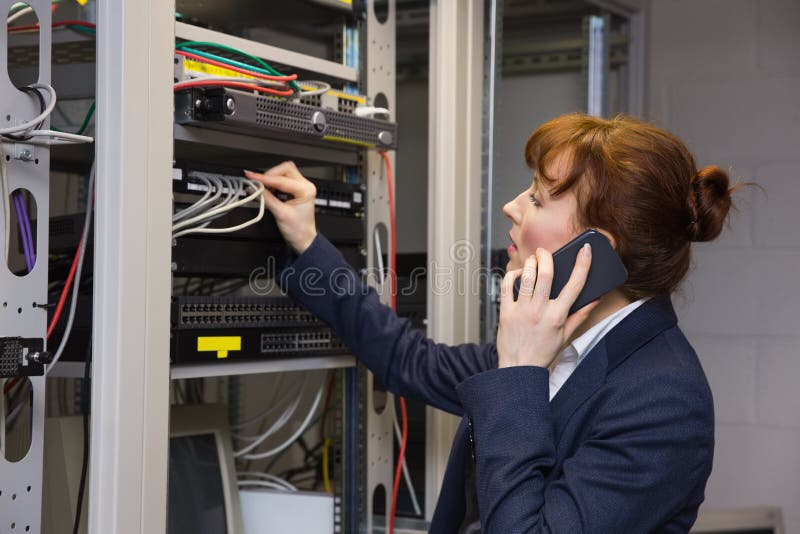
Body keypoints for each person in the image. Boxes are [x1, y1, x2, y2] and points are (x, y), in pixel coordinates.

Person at [245, 113, 738, 533]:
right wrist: (309, 243)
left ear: (594, 252)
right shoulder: (562, 342)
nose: (511, 206)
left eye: (538, 199)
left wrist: (520, 371)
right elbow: (408, 361)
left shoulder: (664, 401)